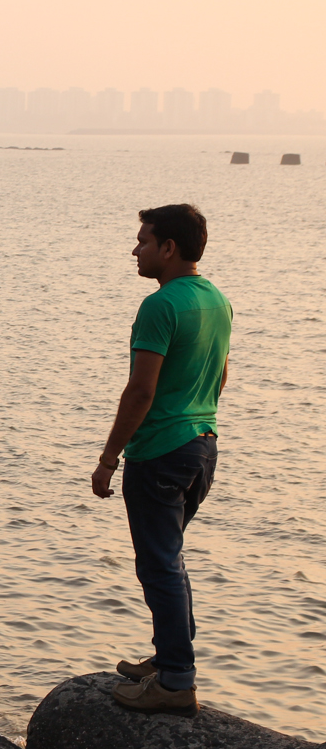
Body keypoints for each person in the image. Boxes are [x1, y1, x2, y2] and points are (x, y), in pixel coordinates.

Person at [92, 204, 232, 716]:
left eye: (143, 241)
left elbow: (139, 392)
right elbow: (220, 377)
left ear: (168, 248)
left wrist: (109, 458)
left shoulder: (160, 306)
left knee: (159, 564)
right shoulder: (216, 299)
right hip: (202, 444)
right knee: (168, 558)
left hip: (161, 453)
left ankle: (176, 682)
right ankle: (170, 657)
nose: (135, 249)